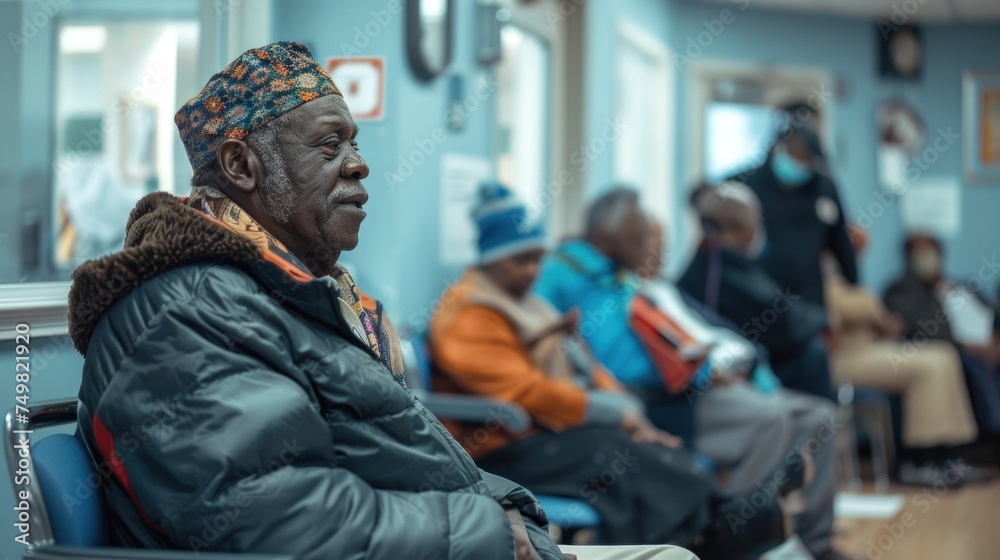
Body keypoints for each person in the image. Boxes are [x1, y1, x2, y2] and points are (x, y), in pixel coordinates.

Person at [68, 42, 693, 560]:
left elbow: (408, 462)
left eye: (356, 144)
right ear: (241, 164)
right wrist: (489, 532)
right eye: (328, 145)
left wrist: (503, 512)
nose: (360, 166)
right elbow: (270, 523)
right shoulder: (190, 310)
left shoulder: (286, 292)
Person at [429, 183, 787, 559]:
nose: (532, 271)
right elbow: (525, 392)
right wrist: (605, 411)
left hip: (551, 433)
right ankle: (701, 535)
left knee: (641, 445)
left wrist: (629, 413)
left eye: (537, 258)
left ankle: (710, 523)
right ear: (490, 260)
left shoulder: (530, 304)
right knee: (613, 457)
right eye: (520, 261)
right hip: (502, 450)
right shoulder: (468, 314)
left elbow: (585, 364)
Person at [534, 187, 848, 560]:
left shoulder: (622, 278)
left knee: (820, 418)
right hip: (655, 400)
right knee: (769, 420)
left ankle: (812, 545)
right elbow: (616, 362)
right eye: (639, 237)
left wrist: (716, 366)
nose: (647, 246)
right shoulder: (565, 277)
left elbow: (679, 333)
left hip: (687, 385)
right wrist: (699, 372)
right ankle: (733, 538)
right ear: (605, 237)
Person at [824, 227, 981, 486]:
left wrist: (882, 322)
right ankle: (917, 461)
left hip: (872, 348)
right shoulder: (816, 274)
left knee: (944, 355)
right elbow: (846, 308)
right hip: (846, 359)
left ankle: (947, 456)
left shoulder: (846, 277)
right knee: (929, 366)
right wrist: (876, 316)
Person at [679, 182, 835, 400]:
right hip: (746, 370)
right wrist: (824, 321)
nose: (760, 227)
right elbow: (783, 322)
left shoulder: (720, 261)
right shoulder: (720, 270)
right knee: (813, 355)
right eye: (755, 220)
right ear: (735, 227)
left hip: (753, 358)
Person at [884, 232, 1000, 436]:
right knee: (969, 364)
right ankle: (992, 434)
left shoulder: (962, 287)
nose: (926, 257)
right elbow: (924, 329)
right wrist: (969, 347)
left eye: (930, 250)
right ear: (909, 256)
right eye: (919, 252)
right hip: (958, 350)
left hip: (988, 346)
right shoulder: (903, 290)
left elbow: (991, 314)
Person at [732, 122, 856, 309]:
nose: (798, 163)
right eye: (794, 154)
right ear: (778, 148)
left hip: (809, 298)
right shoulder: (750, 182)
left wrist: (853, 284)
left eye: (805, 158)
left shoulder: (824, 188)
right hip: (757, 295)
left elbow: (841, 242)